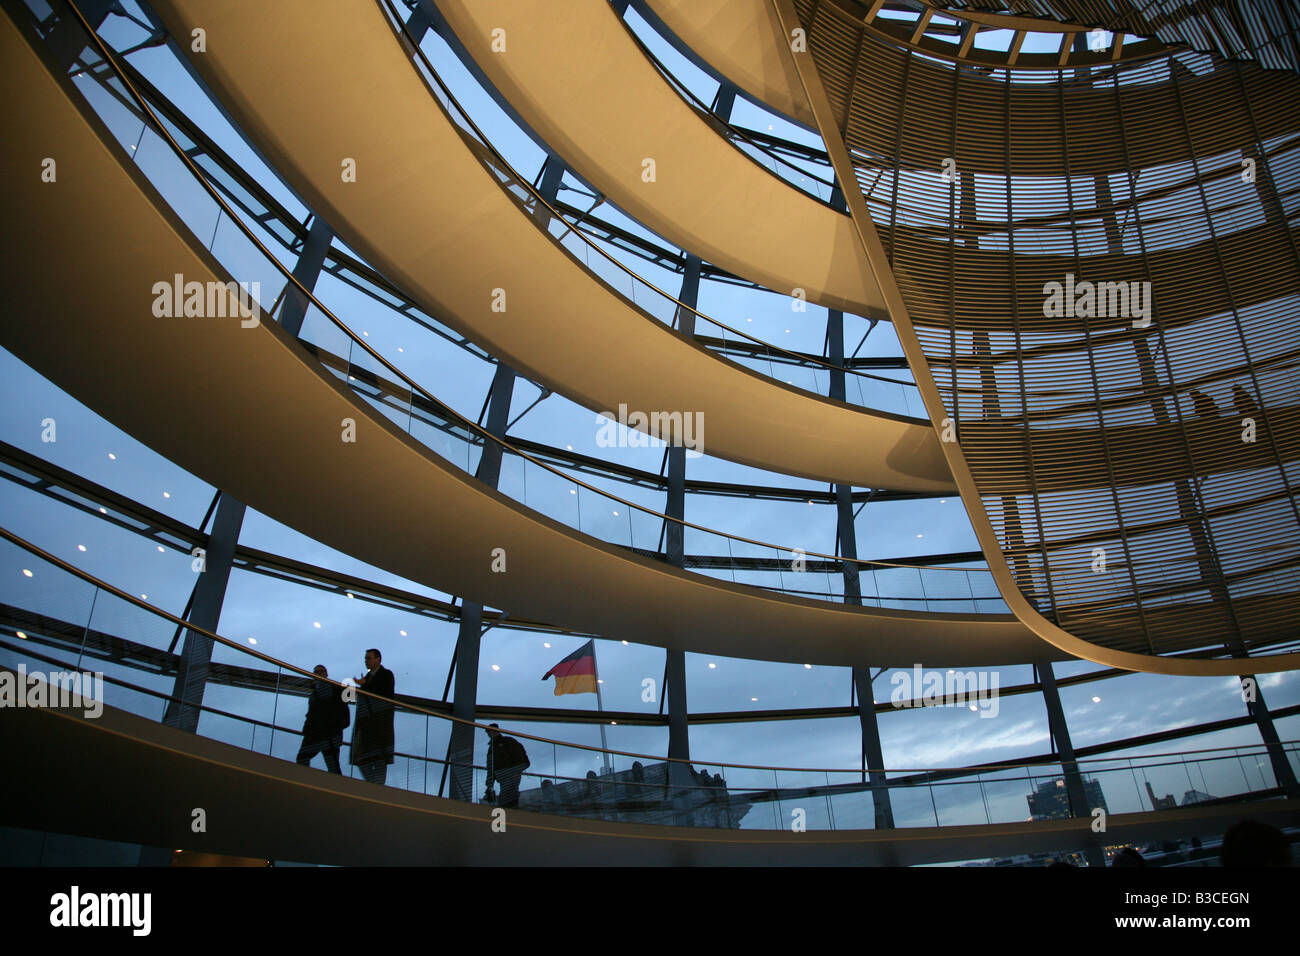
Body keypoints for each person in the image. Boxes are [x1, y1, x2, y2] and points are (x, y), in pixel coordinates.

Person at [349, 648, 395, 785]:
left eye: (368, 658)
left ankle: (376, 787)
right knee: (367, 758)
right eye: (366, 658)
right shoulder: (369, 678)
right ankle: (375, 786)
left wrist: (365, 684)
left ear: (378, 659)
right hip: (368, 725)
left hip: (379, 724)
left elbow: (382, 693)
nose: (366, 661)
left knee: (377, 758)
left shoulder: (385, 675)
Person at [296, 664, 349, 774]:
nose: (318, 673)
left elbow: (316, 711)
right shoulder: (326, 690)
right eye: (317, 672)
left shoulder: (327, 689)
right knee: (332, 765)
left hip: (325, 733)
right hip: (324, 733)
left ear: (326, 674)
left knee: (305, 758)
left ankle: (306, 780)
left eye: (320, 671)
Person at [484, 723, 530, 809]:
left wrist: (515, 771)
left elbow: (522, 759)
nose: (490, 734)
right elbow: (491, 767)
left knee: (508, 798)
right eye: (489, 732)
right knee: (507, 798)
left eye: (491, 732)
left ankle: (511, 815)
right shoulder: (492, 748)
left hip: (510, 774)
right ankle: (511, 814)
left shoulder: (508, 742)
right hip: (503, 776)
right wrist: (489, 785)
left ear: (497, 731)